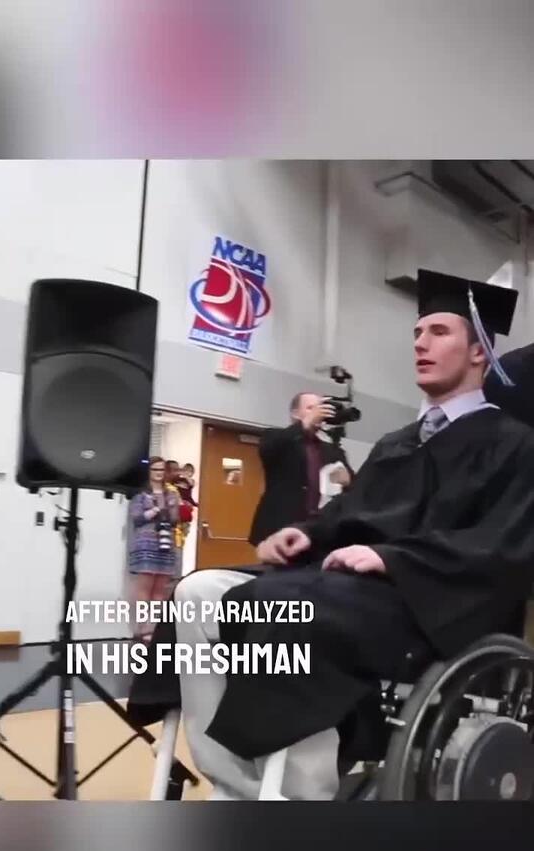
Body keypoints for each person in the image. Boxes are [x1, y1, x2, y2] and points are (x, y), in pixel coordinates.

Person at [150, 269, 534, 799]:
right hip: (349, 588)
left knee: (286, 609)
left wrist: (391, 559)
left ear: (478, 351)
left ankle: (305, 798)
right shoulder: (398, 444)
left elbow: (503, 547)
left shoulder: (514, 444)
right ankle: (237, 784)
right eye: (417, 333)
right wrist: (303, 535)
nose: (420, 342)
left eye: (439, 331)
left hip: (430, 603)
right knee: (194, 593)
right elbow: (350, 514)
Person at [249, 392, 354, 546]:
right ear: (295, 414)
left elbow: (354, 488)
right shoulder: (275, 436)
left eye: (320, 408)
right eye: (311, 408)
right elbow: (269, 449)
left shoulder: (333, 450)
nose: (319, 412)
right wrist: (306, 423)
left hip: (318, 531)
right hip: (280, 528)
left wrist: (349, 481)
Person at [128, 457, 180, 643]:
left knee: (160, 588)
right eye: (155, 469)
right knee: (144, 587)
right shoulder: (140, 494)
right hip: (146, 541)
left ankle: (154, 626)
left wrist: (173, 511)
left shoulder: (171, 494)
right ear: (148, 471)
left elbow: (175, 520)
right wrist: (155, 510)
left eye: (161, 469)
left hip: (165, 542)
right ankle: (141, 627)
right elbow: (137, 518)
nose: (159, 473)